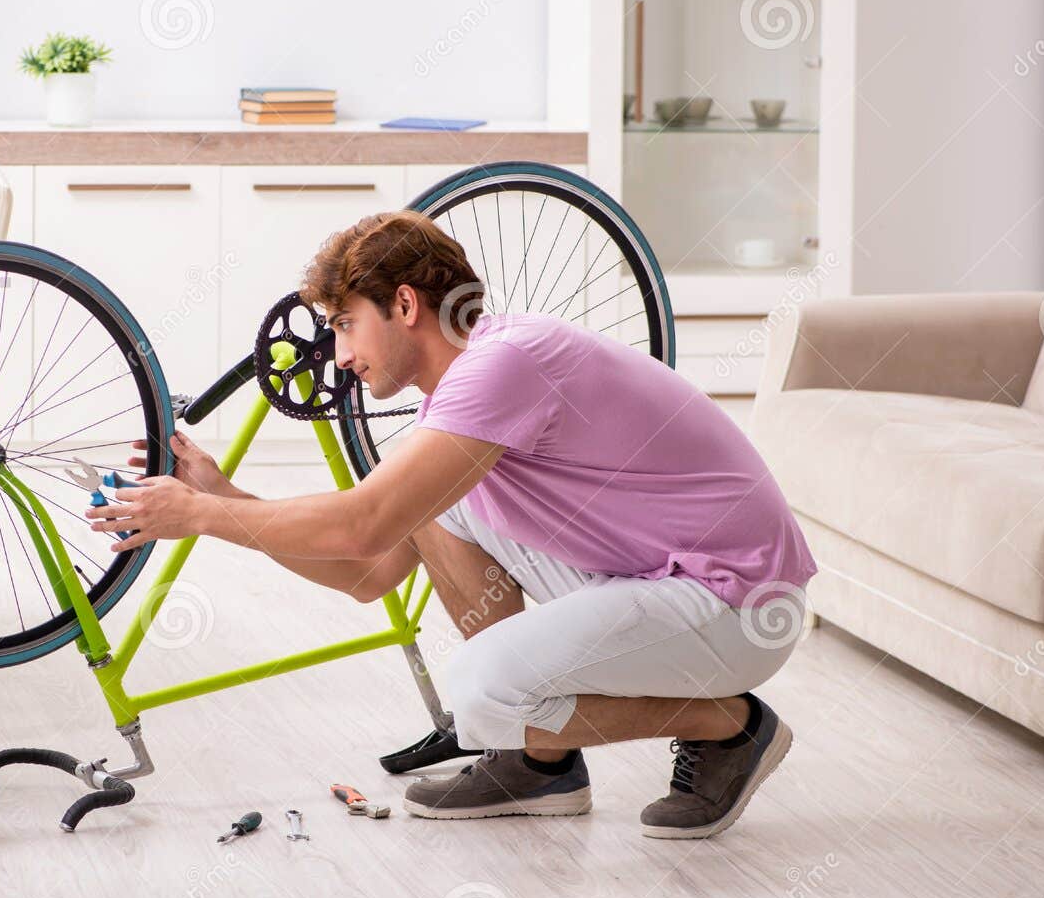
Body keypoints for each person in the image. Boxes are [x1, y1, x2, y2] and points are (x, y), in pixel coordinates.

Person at [88, 211, 818, 835]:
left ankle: (730, 725)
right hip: (662, 579)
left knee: (479, 695)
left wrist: (204, 516)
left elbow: (362, 527)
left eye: (346, 324)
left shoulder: (504, 365)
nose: (340, 356)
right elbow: (369, 573)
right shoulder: (465, 391)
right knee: (437, 508)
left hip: (738, 605)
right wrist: (221, 495)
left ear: (404, 305)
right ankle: (541, 768)